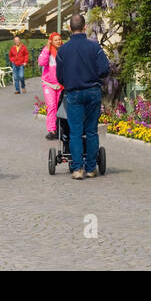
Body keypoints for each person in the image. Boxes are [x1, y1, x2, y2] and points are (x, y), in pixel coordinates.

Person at [55, 14, 109, 180]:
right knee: (92, 131)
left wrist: (71, 81)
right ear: (85, 27)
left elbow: (59, 77)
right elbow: (104, 69)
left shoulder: (63, 50)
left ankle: (77, 169)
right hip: (93, 91)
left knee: (75, 132)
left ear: (70, 29)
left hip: (74, 93)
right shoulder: (95, 47)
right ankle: (91, 168)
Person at [39, 32, 63, 139]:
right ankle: (52, 130)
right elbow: (41, 62)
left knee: (59, 107)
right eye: (55, 40)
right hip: (49, 84)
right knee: (51, 106)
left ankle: (60, 128)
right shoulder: (47, 51)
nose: (58, 41)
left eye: (59, 39)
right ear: (51, 41)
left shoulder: (63, 51)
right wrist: (47, 48)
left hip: (61, 84)